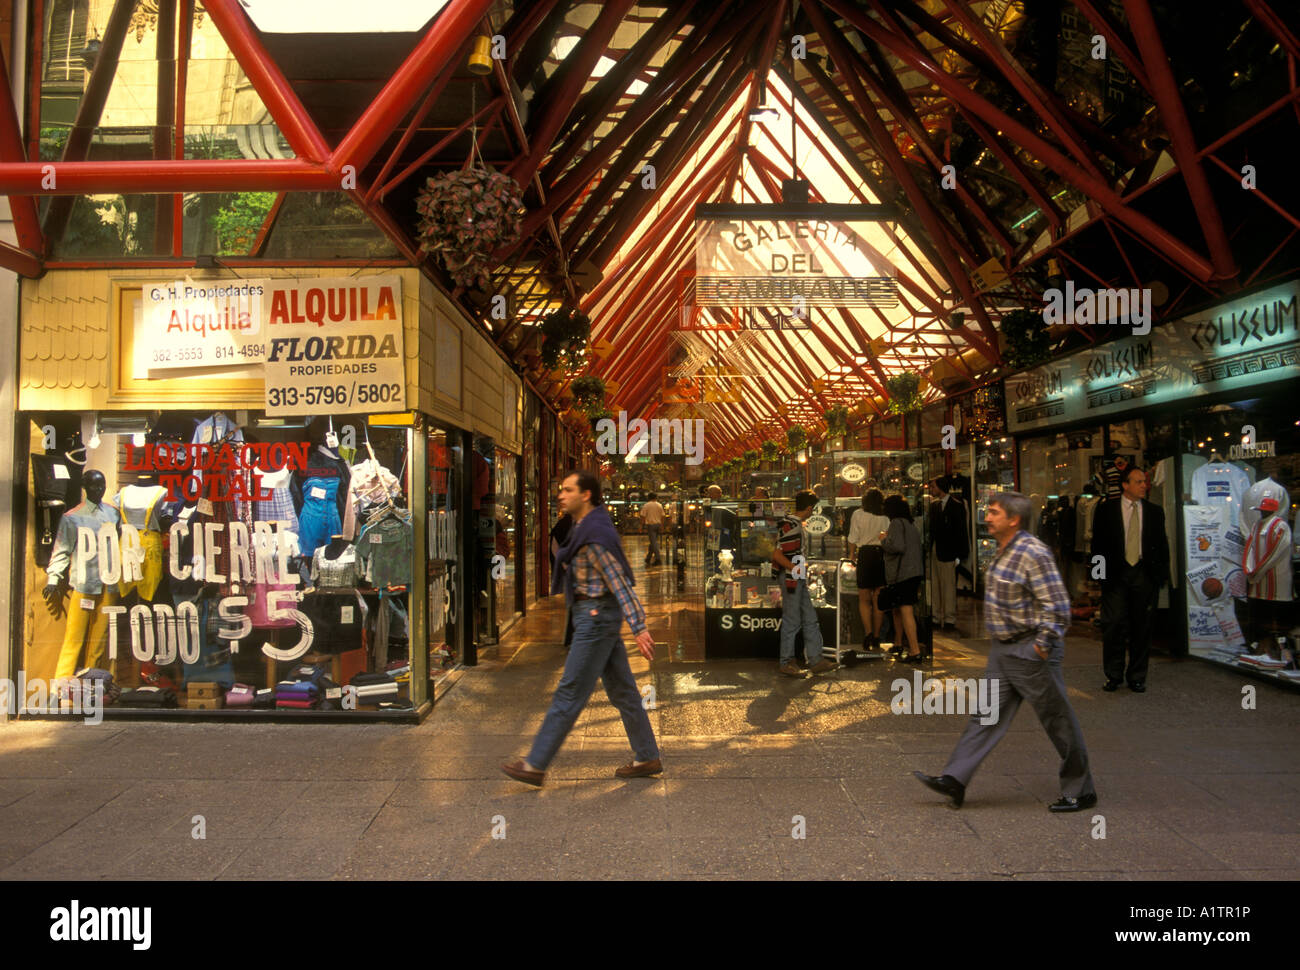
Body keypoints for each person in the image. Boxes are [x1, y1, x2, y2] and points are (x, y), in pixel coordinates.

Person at [913, 491, 1097, 813]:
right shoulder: (1002, 550)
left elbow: (1058, 606)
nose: (987, 516)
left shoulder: (1033, 553)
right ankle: (954, 780)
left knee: (1057, 720)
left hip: (1029, 649)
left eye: (995, 512)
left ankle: (1081, 790)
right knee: (986, 716)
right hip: (1003, 650)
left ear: (1014, 519)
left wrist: (1040, 647)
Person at [502, 471, 660, 786]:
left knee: (570, 690)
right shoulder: (582, 528)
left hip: (596, 617)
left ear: (586, 495)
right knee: (623, 690)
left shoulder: (595, 536)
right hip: (595, 614)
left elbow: (619, 582)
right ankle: (647, 756)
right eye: (561, 490)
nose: (561, 495)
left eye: (568, 490)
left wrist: (639, 627)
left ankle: (535, 764)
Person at [1090, 465, 1169, 693]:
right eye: (1139, 482)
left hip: (1144, 574)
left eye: (1145, 482)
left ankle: (1137, 676)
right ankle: (1113, 675)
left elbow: (1162, 545)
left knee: (1141, 627)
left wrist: (1160, 576)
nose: (1144, 485)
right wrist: (1098, 576)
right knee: (1113, 624)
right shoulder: (1106, 510)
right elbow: (1098, 545)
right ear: (1125, 485)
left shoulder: (1155, 512)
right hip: (1116, 574)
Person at [773, 489, 838, 678]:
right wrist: (796, 570)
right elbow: (777, 554)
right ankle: (787, 661)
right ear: (809, 508)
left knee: (809, 618)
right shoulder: (792, 525)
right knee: (794, 619)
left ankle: (815, 659)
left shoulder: (790, 523)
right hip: (792, 578)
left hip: (795, 577)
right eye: (813, 509)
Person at [881, 494, 925, 663]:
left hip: (903, 574)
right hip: (913, 572)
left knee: (905, 610)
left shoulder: (896, 524)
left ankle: (914, 651)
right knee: (898, 609)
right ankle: (898, 642)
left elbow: (897, 546)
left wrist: (883, 540)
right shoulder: (910, 524)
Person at [848, 488, 889, 651]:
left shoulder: (858, 514)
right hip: (881, 555)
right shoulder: (885, 517)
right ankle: (878, 636)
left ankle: (868, 634)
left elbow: (853, 537)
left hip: (864, 555)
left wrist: (852, 555)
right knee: (878, 599)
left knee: (864, 598)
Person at [928, 476, 968, 631]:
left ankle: (949, 618)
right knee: (936, 585)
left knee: (948, 585)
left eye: (933, 487)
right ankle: (936, 616)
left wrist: (960, 553)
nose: (932, 490)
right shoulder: (934, 506)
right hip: (935, 549)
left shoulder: (956, 506)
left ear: (940, 487)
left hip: (949, 551)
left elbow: (961, 531)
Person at [640, 493, 664, 566]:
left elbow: (643, 516)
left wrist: (641, 526)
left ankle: (658, 559)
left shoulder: (646, 505)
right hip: (658, 524)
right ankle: (648, 557)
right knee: (653, 542)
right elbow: (663, 516)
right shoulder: (659, 505)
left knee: (653, 543)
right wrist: (662, 526)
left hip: (650, 525)